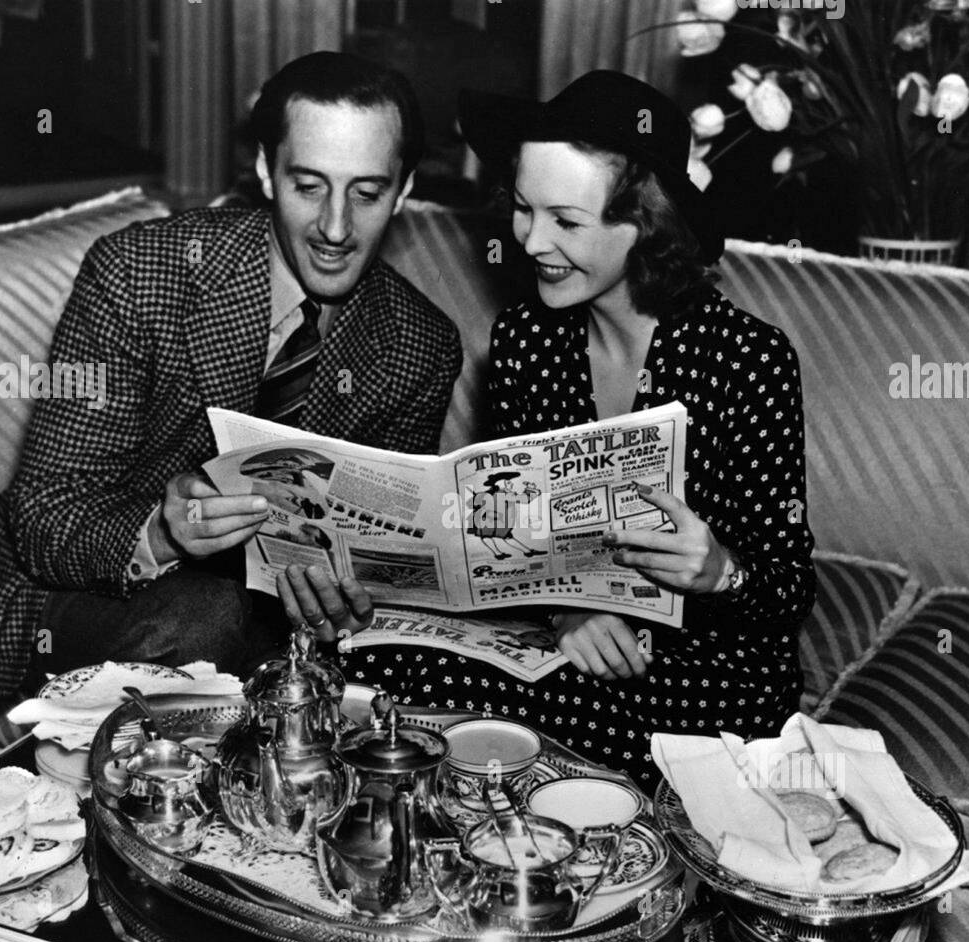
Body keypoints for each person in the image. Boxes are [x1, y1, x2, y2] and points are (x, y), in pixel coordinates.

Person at [341, 71, 816, 792]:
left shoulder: (748, 359)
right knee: (363, 654)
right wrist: (566, 610)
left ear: (645, 224)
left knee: (493, 716)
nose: (531, 241)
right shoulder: (527, 338)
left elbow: (787, 595)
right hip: (561, 646)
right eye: (524, 210)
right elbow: (518, 542)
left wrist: (719, 569)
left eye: (566, 220)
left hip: (707, 667)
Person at [0, 52, 462, 703]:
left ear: (406, 188)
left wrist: (353, 585)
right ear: (265, 172)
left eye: (366, 193)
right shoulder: (138, 272)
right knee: (206, 618)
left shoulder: (421, 344)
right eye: (309, 186)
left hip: (276, 626)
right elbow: (44, 513)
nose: (336, 228)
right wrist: (161, 533)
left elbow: (375, 556)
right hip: (83, 596)